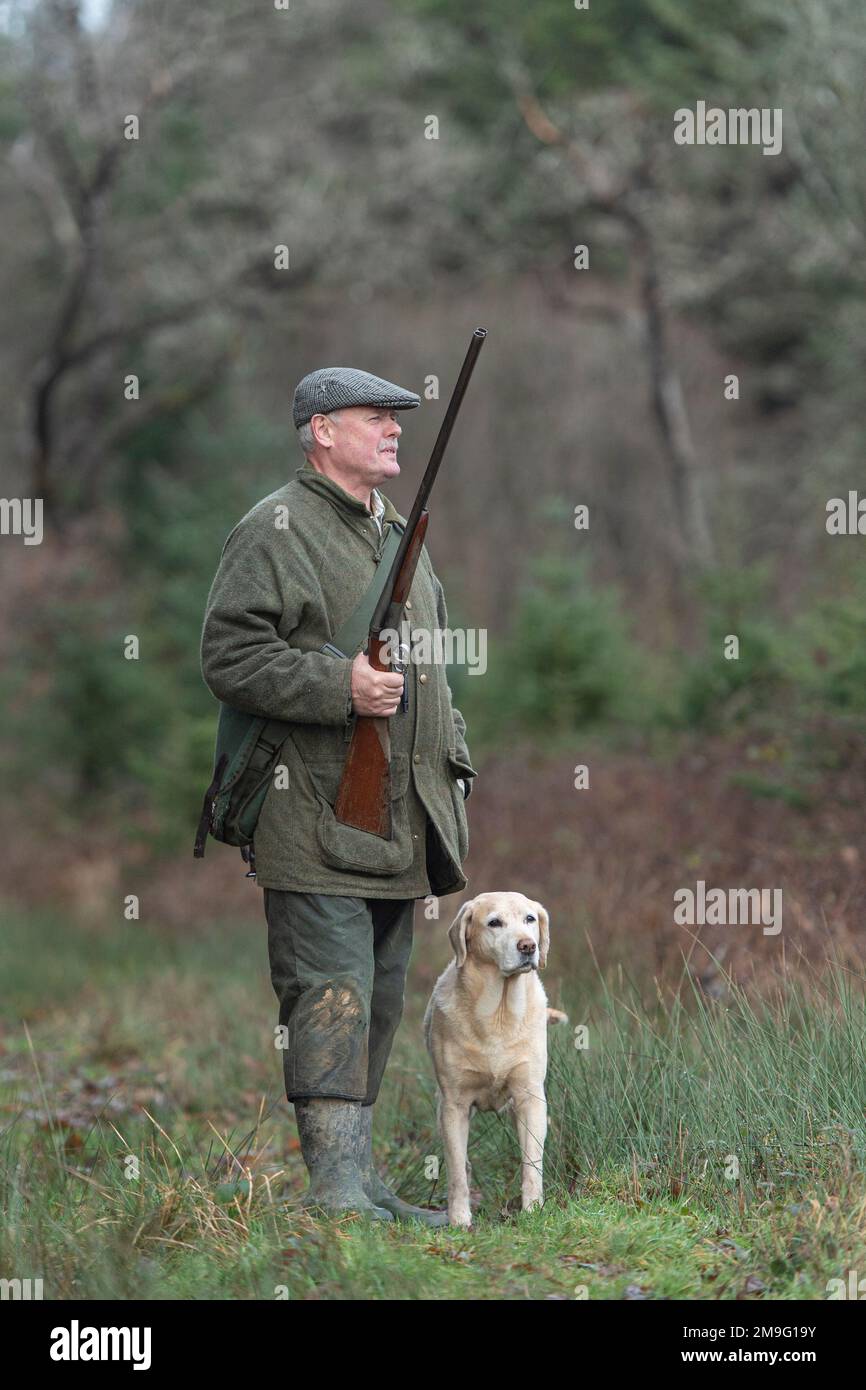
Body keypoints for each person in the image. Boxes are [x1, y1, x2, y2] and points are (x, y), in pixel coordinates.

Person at [200, 365, 476, 1225]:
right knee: (329, 992)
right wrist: (338, 689)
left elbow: (429, 669)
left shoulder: (396, 533)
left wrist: (451, 760)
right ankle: (332, 1193)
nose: (396, 430)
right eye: (375, 418)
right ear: (322, 430)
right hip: (312, 812)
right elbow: (230, 657)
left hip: (400, 817)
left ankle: (360, 1184)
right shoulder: (273, 528)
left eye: (399, 420)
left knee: (382, 1002)